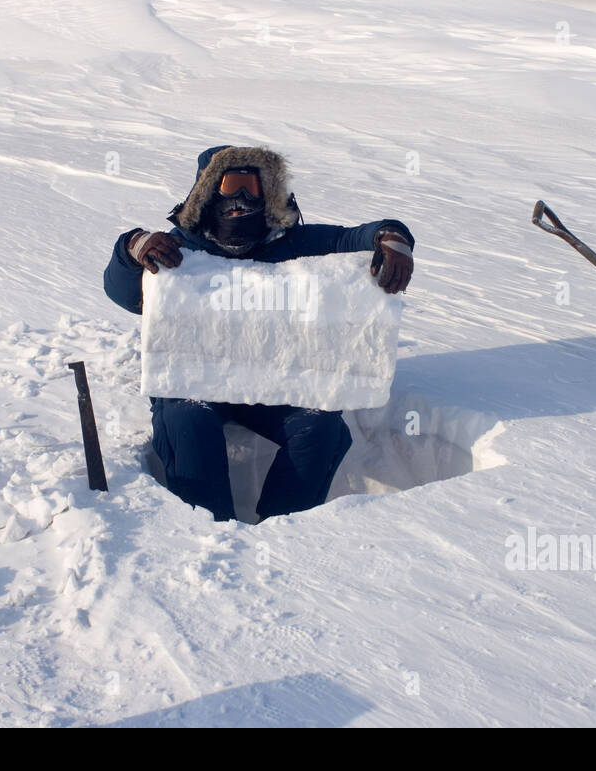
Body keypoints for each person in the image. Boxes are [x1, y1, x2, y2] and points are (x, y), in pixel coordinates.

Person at [104, 144, 414, 522]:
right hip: (195, 385)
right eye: (231, 186)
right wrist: (132, 248)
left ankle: (282, 531)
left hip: (275, 385)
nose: (241, 200)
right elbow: (123, 293)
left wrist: (393, 237)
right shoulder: (178, 250)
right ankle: (208, 531)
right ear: (206, 194)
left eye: (253, 188)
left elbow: (356, 237)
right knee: (187, 420)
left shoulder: (295, 244)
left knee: (321, 425)